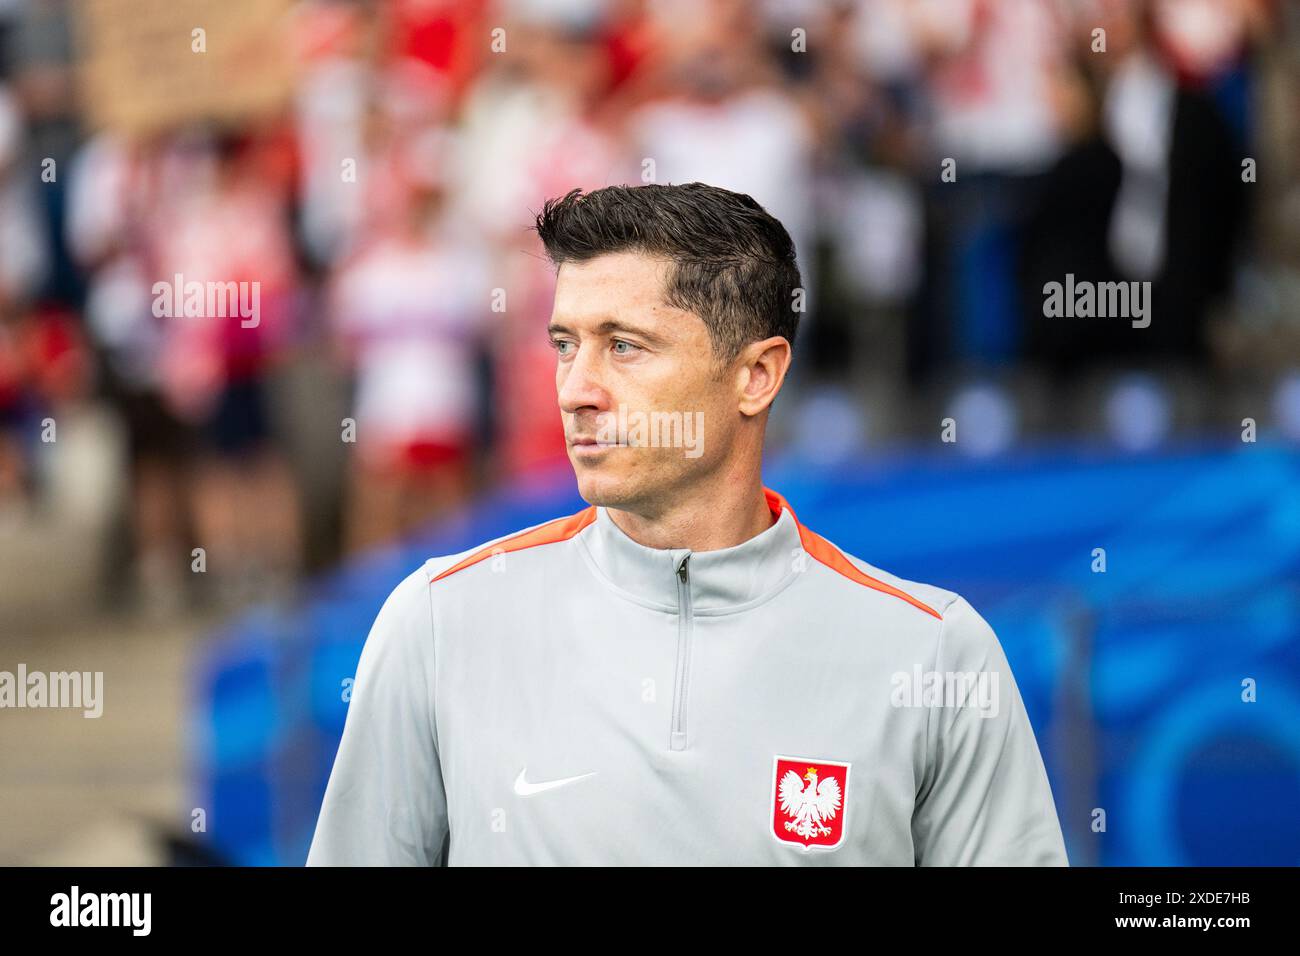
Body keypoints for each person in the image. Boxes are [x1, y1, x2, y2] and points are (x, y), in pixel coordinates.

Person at [306, 182, 1068, 866]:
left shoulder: (935, 651)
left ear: (757, 375)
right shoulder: (439, 621)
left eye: (625, 347)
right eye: (566, 346)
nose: (575, 390)